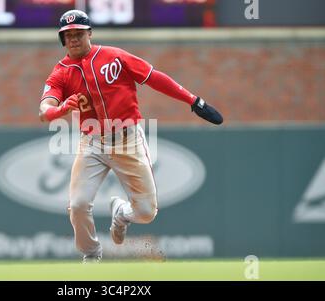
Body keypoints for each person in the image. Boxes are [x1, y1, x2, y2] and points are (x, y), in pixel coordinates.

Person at [39, 10, 223, 263]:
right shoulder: (61, 72)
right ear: (62, 39)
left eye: (79, 33)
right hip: (93, 143)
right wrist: (61, 109)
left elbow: (154, 77)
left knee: (147, 212)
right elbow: (44, 111)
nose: (73, 39)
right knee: (78, 205)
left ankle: (122, 214)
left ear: (89, 33)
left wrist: (193, 100)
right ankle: (91, 254)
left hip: (128, 140)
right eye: (68, 35)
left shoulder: (114, 57)